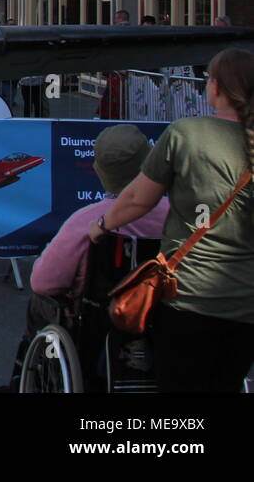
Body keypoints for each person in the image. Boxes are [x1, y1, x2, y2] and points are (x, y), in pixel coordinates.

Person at [89, 48, 254, 393]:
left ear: (216, 88)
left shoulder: (187, 134)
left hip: (190, 295)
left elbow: (137, 200)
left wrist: (101, 225)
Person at [0, 124, 168, 391]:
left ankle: (20, 381)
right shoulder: (177, 215)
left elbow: (44, 283)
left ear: (100, 171)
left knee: (39, 302)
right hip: (169, 311)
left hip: (100, 321)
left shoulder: (87, 221)